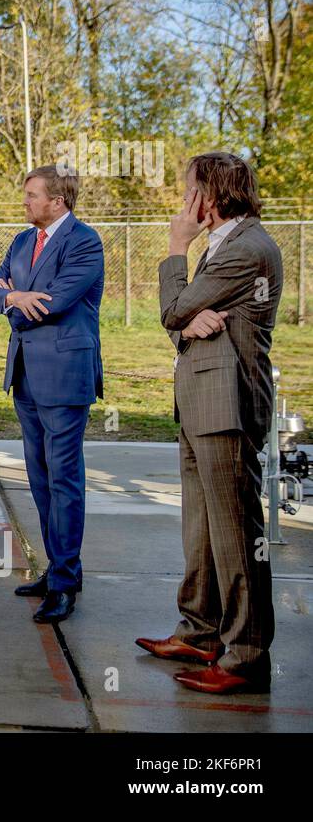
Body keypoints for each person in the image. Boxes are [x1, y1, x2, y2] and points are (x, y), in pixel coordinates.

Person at [136, 152, 281, 694]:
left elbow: (172, 310)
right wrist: (187, 320)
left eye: (189, 188)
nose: (182, 199)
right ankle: (200, 630)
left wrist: (177, 248)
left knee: (236, 534)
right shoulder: (225, 244)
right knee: (201, 529)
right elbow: (184, 322)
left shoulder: (246, 247)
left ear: (212, 194)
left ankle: (245, 656)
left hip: (228, 406)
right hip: (198, 401)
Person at [0, 165, 104, 623]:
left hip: (66, 374)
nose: (25, 202)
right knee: (38, 477)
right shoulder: (19, 242)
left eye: (33, 195)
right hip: (26, 375)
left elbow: (54, 302)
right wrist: (12, 298)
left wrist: (20, 300)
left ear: (59, 201)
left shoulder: (84, 241)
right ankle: (58, 567)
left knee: (64, 479)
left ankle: (66, 582)